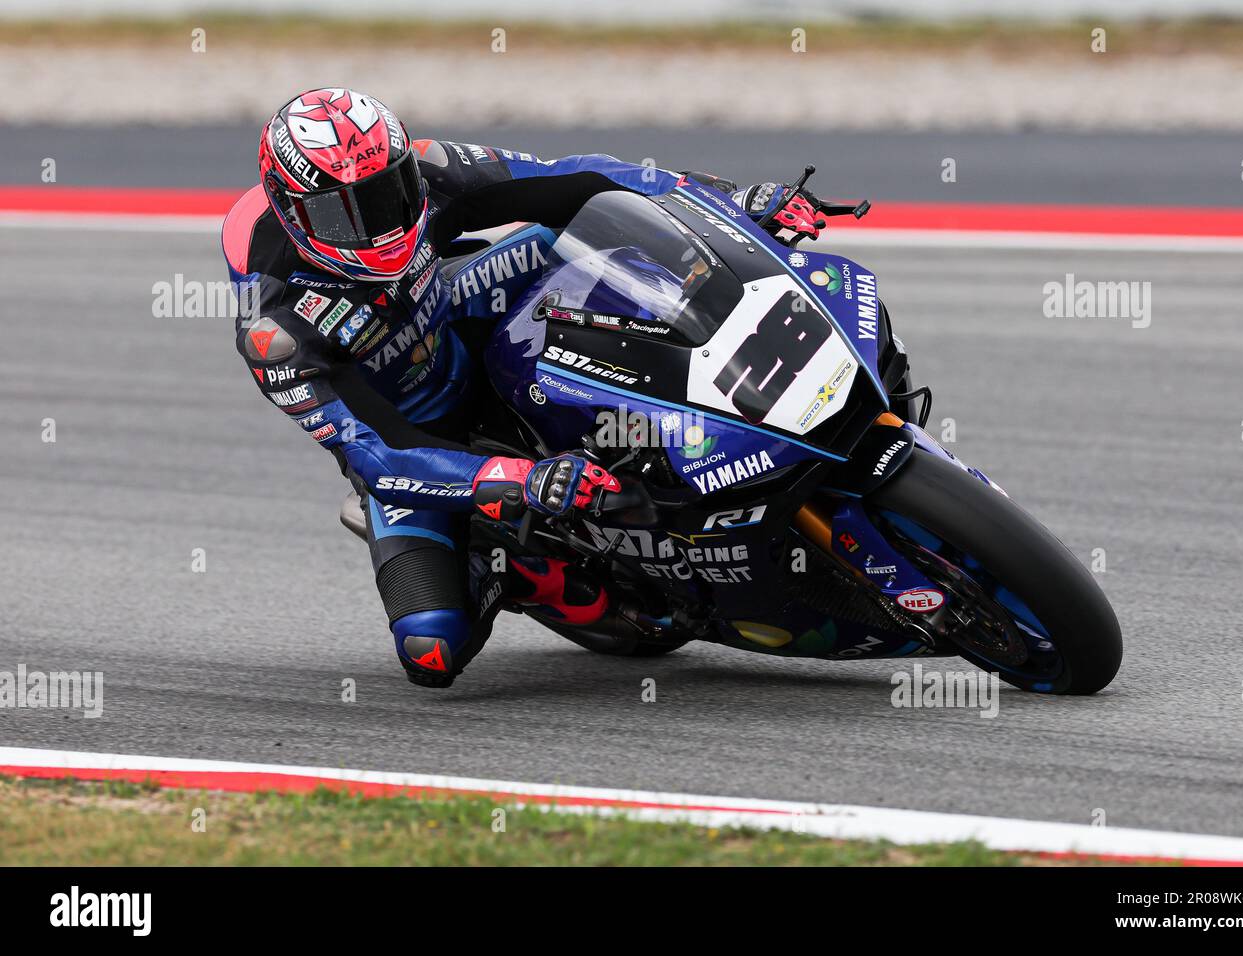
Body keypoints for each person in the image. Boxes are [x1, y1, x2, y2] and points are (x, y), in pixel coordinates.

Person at [222, 88, 822, 688]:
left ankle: (712, 375)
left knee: (590, 238)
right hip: (416, 436)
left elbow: (576, 180)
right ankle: (514, 567)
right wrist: (521, 480)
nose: (379, 222)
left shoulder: (430, 165)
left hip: (460, 311)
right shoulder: (276, 329)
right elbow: (378, 453)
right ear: (294, 215)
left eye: (387, 194)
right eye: (344, 214)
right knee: (431, 648)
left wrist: (728, 198)